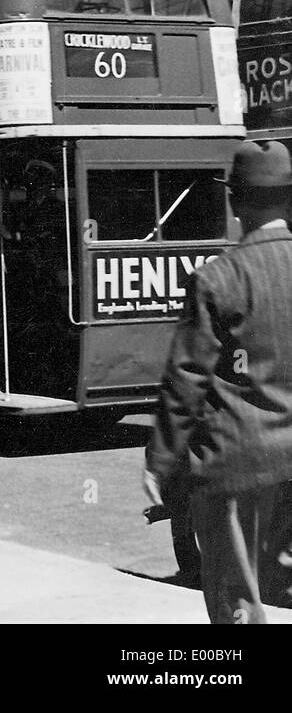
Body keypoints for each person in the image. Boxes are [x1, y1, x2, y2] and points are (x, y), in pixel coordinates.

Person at [146, 140, 292, 624]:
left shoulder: (217, 278)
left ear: (234, 201)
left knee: (240, 608)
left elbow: (187, 377)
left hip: (237, 466)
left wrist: (161, 460)